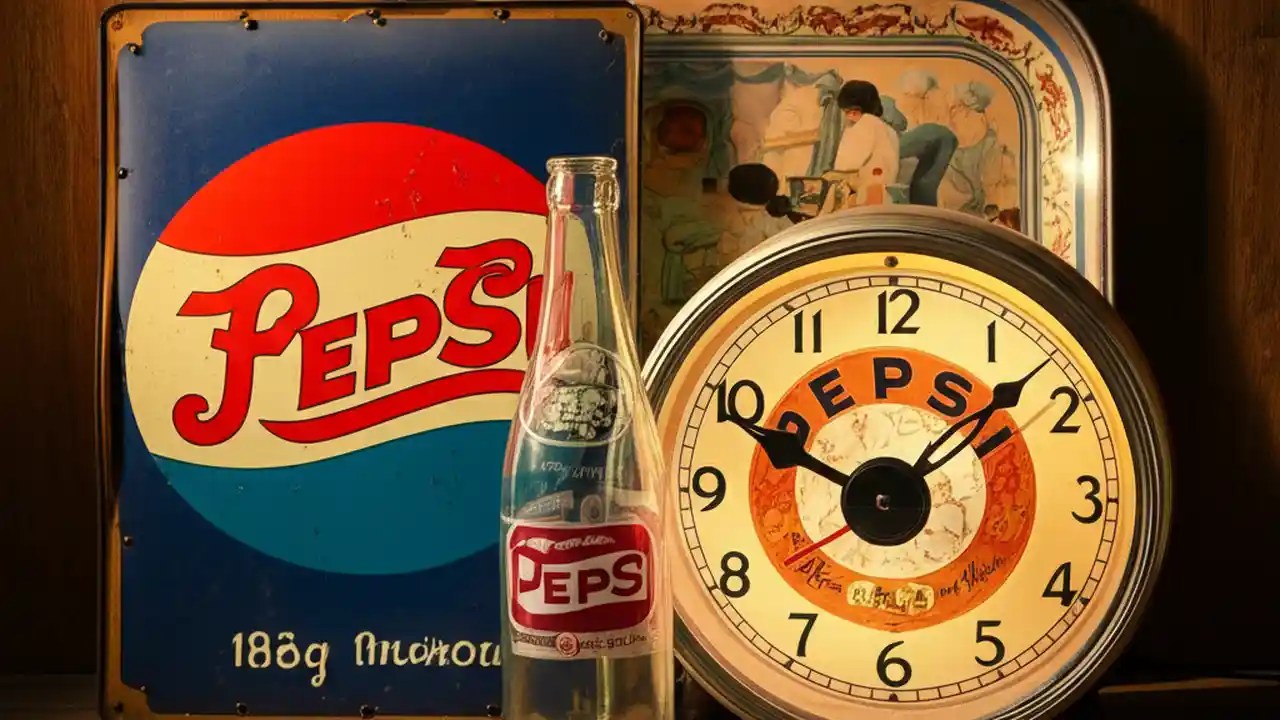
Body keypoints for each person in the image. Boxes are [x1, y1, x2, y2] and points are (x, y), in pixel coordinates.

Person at [825, 80, 901, 209]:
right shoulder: (888, 129)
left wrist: (828, 176)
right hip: (884, 194)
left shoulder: (867, 123)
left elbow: (847, 165)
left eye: (852, 111)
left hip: (867, 194)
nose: (849, 117)